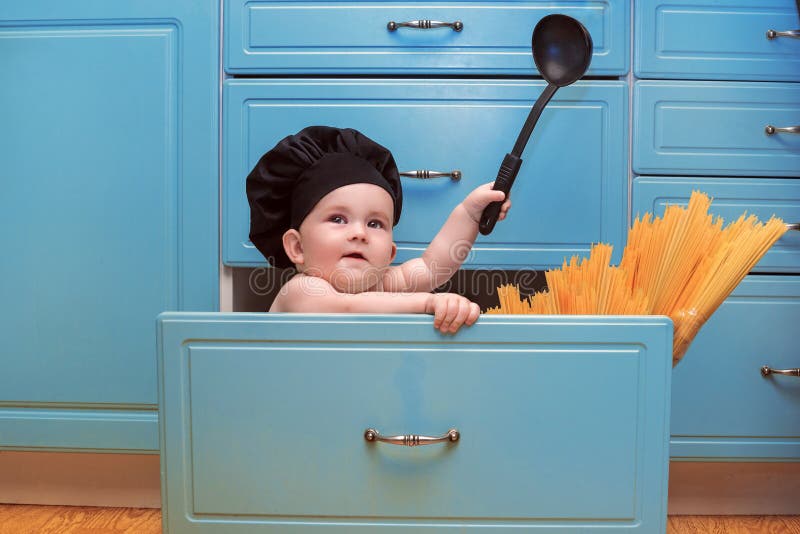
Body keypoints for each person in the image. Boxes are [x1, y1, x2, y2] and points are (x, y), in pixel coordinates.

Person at [246, 126, 511, 334]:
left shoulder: (378, 283)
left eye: (375, 224)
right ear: (297, 247)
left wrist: (469, 214)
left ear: (390, 253)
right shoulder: (301, 290)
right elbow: (347, 309)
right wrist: (428, 303)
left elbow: (432, 267)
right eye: (338, 219)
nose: (360, 233)